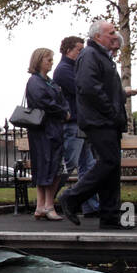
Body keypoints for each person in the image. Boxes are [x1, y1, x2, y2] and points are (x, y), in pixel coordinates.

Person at [60, 20, 132, 229]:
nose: (115, 35)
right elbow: (89, 88)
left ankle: (109, 215)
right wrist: (111, 111)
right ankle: (72, 197)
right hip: (99, 121)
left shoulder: (103, 57)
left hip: (107, 120)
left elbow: (106, 87)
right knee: (108, 162)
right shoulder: (90, 55)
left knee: (112, 167)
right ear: (97, 36)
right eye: (110, 33)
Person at [53, 36, 97, 214]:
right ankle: (48, 199)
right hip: (73, 124)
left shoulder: (73, 68)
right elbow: (82, 89)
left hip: (80, 122)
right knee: (70, 164)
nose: (81, 53)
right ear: (68, 50)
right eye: (79, 50)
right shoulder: (63, 70)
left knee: (88, 166)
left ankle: (91, 206)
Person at [24, 48, 69, 220]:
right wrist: (62, 112)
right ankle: (47, 205)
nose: (51, 63)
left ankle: (42, 205)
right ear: (39, 61)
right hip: (45, 131)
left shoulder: (49, 82)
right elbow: (44, 102)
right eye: (48, 60)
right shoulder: (36, 82)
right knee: (49, 167)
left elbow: (59, 100)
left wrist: (63, 109)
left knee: (52, 167)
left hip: (52, 129)